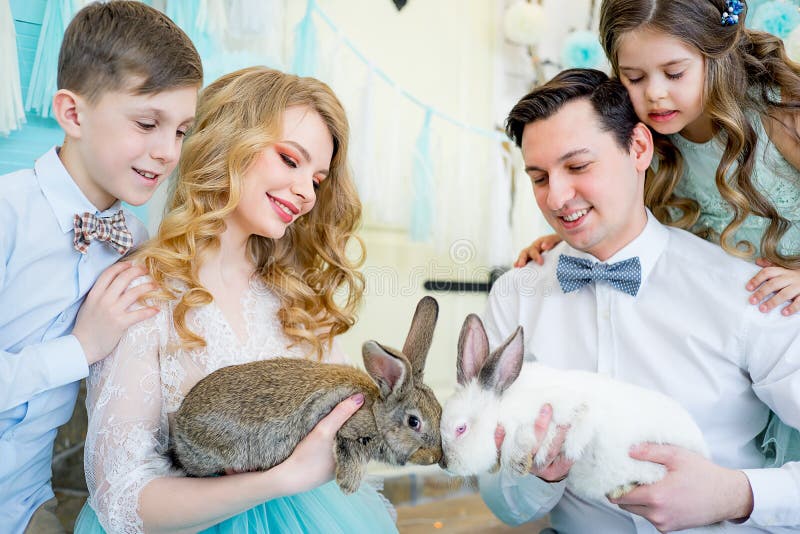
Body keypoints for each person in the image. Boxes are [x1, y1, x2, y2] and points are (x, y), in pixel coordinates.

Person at [72, 66, 399, 534]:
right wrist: (278, 479)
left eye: (319, 180)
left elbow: (344, 428)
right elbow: (121, 502)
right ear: (228, 142)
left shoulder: (297, 298)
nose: (306, 193)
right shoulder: (143, 290)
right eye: (290, 160)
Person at [479, 68, 800, 532]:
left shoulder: (744, 293)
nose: (557, 197)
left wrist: (738, 495)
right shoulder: (515, 296)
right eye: (539, 177)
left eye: (578, 166)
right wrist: (536, 476)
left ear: (639, 148)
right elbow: (506, 507)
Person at [515, 0, 800, 469]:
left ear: (717, 52)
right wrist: (573, 233)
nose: (655, 96)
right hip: (739, 340)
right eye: (635, 77)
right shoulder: (649, 139)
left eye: (674, 72)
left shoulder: (779, 114)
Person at [0, 2, 202, 532]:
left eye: (181, 131)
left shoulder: (134, 242)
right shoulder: (7, 215)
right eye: (146, 123)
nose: (166, 153)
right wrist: (81, 348)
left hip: (26, 502)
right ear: (73, 114)